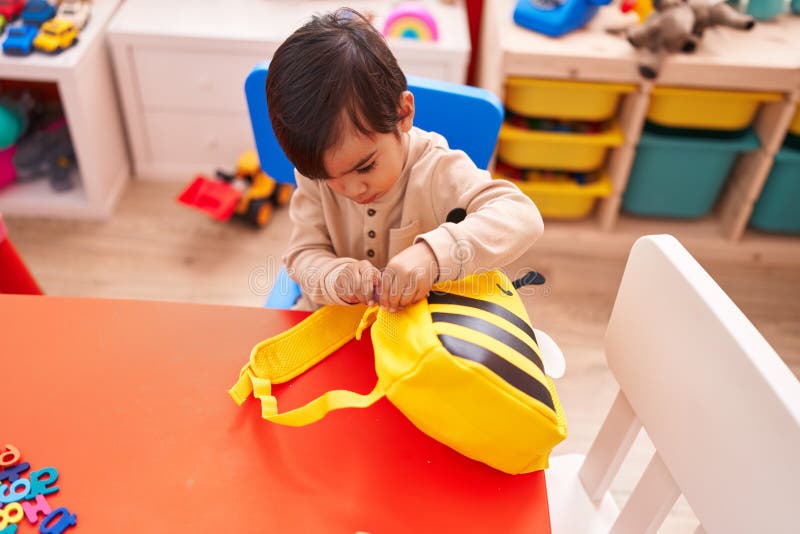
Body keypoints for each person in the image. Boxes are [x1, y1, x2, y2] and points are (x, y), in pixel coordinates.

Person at [268, 7, 544, 312]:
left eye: (365, 166)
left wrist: (433, 255)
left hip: (421, 337)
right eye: (329, 177)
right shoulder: (314, 174)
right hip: (334, 325)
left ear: (403, 113)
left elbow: (521, 217)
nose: (352, 189)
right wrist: (335, 276)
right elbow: (302, 254)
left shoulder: (436, 169)